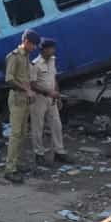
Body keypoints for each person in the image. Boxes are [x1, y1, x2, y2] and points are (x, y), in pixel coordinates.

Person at [3, 29, 40, 184]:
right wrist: (26, 90)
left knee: (23, 133)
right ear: (26, 42)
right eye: (33, 45)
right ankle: (9, 169)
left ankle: (17, 163)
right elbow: (9, 79)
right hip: (17, 98)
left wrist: (29, 91)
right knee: (16, 134)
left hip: (24, 98)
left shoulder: (25, 57)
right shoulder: (14, 56)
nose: (35, 48)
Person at [29, 38, 72, 167]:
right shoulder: (35, 64)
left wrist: (57, 96)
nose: (54, 50)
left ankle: (59, 152)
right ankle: (39, 155)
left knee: (57, 125)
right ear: (44, 50)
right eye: (51, 48)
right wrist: (48, 92)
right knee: (38, 127)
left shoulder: (52, 60)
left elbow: (54, 78)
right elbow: (32, 85)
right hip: (38, 99)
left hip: (52, 98)